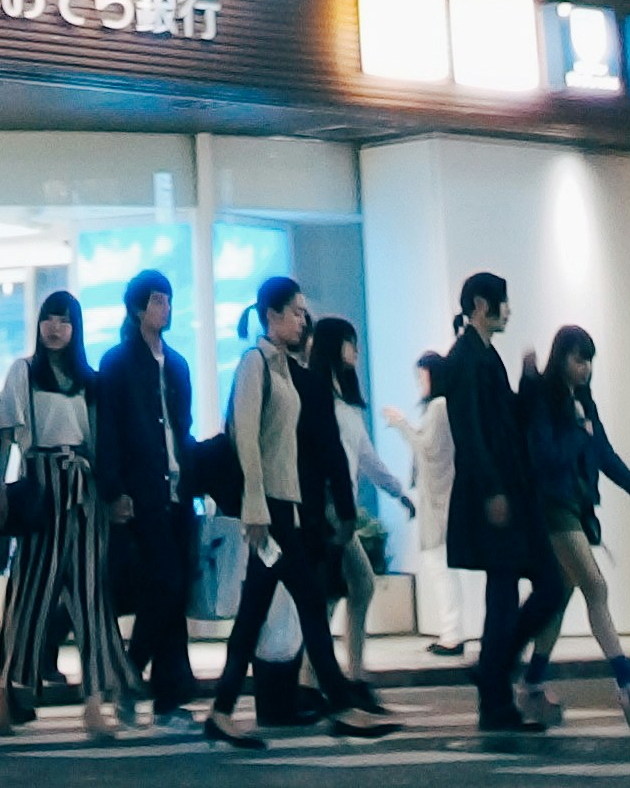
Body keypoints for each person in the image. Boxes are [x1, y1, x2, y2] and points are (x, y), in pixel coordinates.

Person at [201, 276, 390, 749]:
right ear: (272, 315)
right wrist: (255, 507)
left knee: (257, 613)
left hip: (286, 508)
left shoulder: (284, 367)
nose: (304, 320)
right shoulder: (254, 364)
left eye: (303, 312)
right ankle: (342, 705)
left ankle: (222, 710)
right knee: (308, 602)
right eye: (296, 312)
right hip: (269, 513)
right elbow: (244, 437)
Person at [0, 290, 132, 734]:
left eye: (64, 321)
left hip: (85, 490)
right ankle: (2, 686)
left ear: (76, 328)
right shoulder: (24, 371)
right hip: (41, 485)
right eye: (49, 318)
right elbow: (8, 431)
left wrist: (111, 495)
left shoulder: (89, 380)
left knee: (91, 595)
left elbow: (101, 443)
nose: (55, 328)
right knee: (31, 591)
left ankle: (95, 702)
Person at [518, 326, 630, 723]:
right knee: (595, 586)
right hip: (552, 507)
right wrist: (577, 431)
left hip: (576, 507)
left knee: (563, 593)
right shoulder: (545, 400)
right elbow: (544, 456)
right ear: (560, 359)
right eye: (578, 359)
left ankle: (531, 685)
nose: (585, 368)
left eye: (589, 361)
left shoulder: (583, 403)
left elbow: (604, 454)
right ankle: (629, 686)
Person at [446, 273, 561, 739]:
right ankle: (494, 693)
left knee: (528, 589)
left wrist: (529, 381)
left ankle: (493, 673)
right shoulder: (465, 359)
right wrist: (492, 489)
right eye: (502, 302)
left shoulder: (484, 355)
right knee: (514, 592)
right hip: (495, 495)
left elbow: (507, 419)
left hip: (510, 491)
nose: (508, 310)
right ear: (481, 304)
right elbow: (469, 431)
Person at [95, 270, 198, 728]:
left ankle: (165, 696)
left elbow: (182, 427)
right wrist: (113, 490)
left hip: (178, 490)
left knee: (175, 593)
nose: (165, 308)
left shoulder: (176, 364)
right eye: (157, 300)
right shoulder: (118, 363)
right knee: (165, 584)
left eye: (168, 300)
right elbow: (109, 430)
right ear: (138, 307)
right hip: (141, 492)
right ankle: (130, 670)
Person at [313, 324, 412, 688]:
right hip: (327, 507)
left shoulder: (347, 403)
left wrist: (397, 491)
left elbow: (366, 457)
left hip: (342, 510)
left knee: (347, 587)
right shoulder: (320, 396)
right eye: (349, 343)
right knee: (348, 585)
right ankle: (331, 672)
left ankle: (341, 672)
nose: (355, 350)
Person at [399, 349, 481, 657]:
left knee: (441, 568)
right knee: (442, 568)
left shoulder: (439, 407)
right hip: (439, 501)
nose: (420, 383)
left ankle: (452, 634)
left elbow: (427, 447)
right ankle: (451, 632)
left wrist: (402, 424)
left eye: (423, 377)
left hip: (439, 503)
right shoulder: (443, 407)